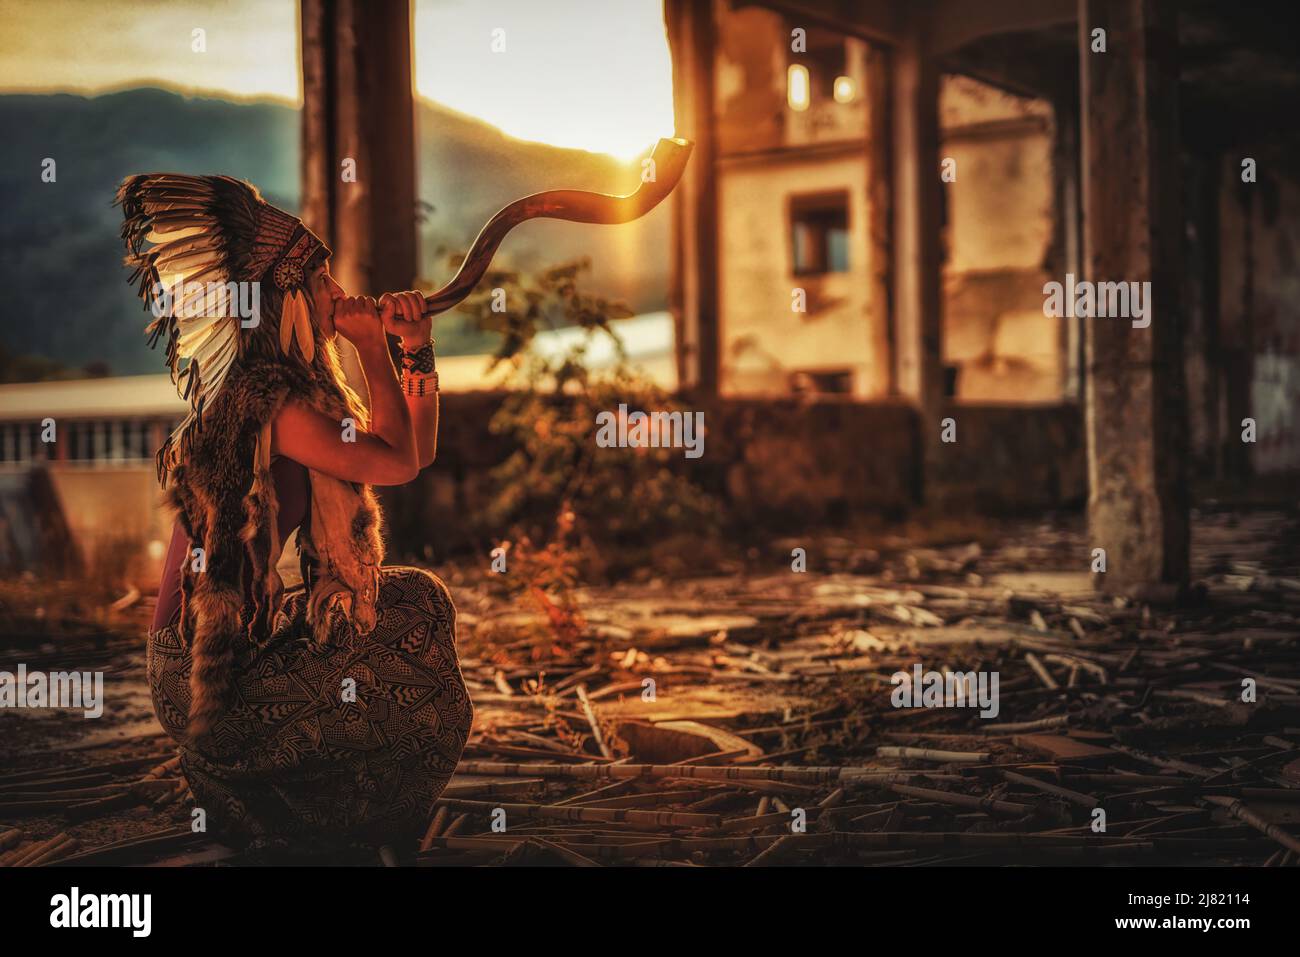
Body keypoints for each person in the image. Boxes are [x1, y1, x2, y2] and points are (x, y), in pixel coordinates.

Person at [118, 173, 473, 853]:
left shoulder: (296, 393)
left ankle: (290, 801)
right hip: (202, 673)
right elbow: (400, 460)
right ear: (288, 297)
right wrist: (374, 346)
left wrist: (413, 348)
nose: (339, 295)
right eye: (323, 282)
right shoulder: (270, 402)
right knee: (419, 657)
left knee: (412, 605)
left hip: (241, 647)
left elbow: (415, 450)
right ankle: (274, 796)